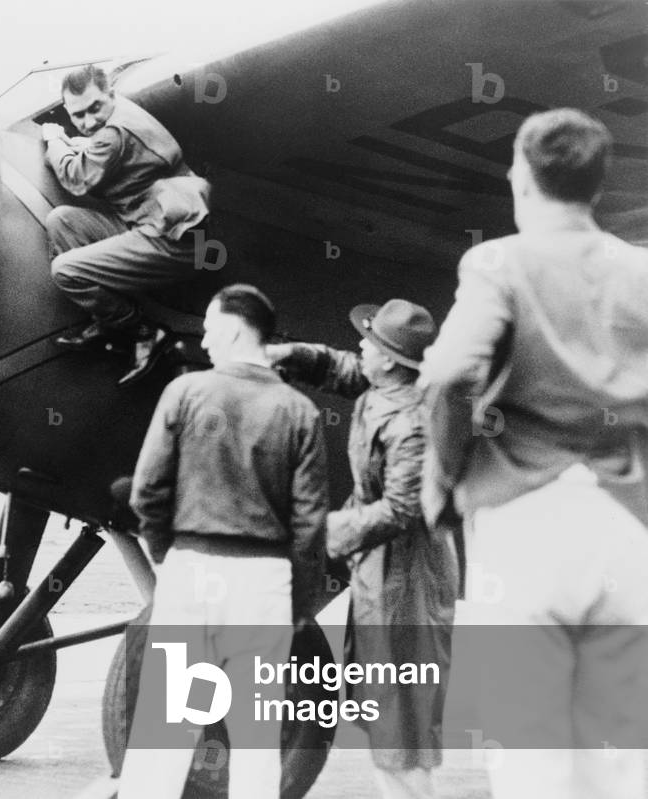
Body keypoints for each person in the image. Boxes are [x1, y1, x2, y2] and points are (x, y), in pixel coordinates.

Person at [420, 108, 648, 799]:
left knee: (530, 756)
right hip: (625, 522)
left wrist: (442, 477)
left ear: (518, 172)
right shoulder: (638, 269)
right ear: (597, 183)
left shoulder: (498, 262)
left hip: (524, 520)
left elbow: (449, 374)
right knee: (623, 752)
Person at [118, 284, 328, 798]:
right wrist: (299, 604)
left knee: (164, 733)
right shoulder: (301, 411)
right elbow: (310, 526)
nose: (205, 341)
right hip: (265, 583)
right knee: (256, 741)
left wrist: (168, 558)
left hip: (193, 571)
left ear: (235, 328)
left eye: (211, 328)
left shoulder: (185, 393)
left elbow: (146, 493)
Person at [267, 299, 458, 799]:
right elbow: (339, 366)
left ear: (391, 360)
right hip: (383, 568)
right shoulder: (386, 386)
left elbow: (399, 509)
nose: (359, 346)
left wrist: (321, 530)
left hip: (407, 576)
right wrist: (283, 354)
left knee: (402, 723)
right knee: (384, 710)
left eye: (369, 342)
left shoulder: (411, 423)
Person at [42, 64, 211, 387]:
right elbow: (99, 148)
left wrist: (55, 141)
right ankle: (109, 320)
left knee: (65, 271)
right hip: (153, 220)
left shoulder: (112, 134)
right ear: (68, 111)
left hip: (175, 241)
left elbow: (76, 178)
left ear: (110, 95)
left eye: (95, 107)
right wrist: (75, 142)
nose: (89, 121)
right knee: (61, 222)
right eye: (78, 115)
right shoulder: (119, 116)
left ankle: (145, 332)